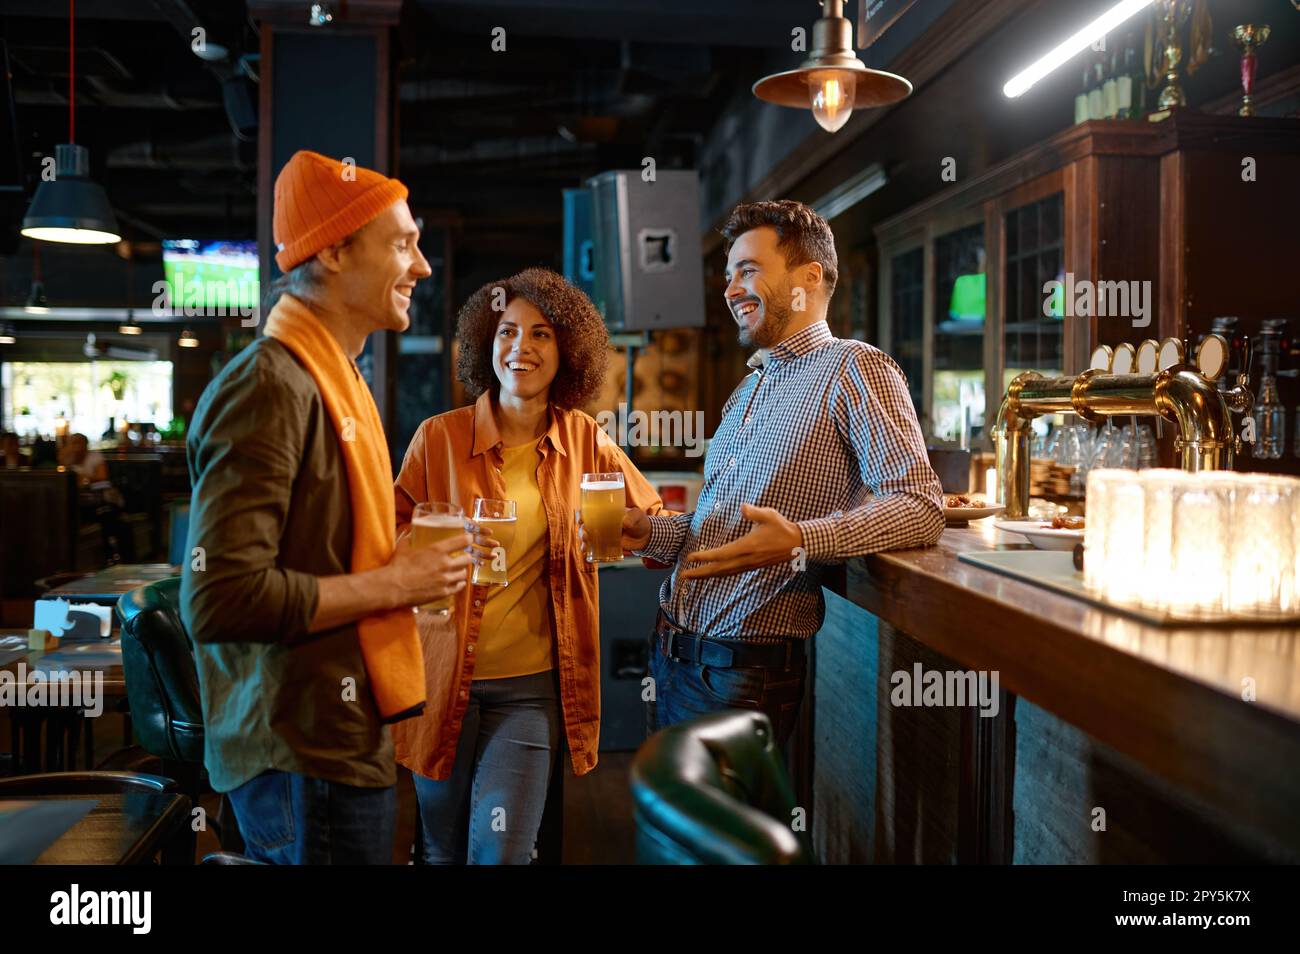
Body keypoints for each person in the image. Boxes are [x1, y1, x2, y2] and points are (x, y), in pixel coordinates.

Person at [180, 150, 480, 864]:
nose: (422, 267)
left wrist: (400, 566)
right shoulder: (271, 386)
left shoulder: (332, 373)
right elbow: (219, 598)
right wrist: (395, 585)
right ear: (337, 251)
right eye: (402, 244)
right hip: (299, 749)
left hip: (335, 735)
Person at [623, 199, 944, 746]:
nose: (729, 289)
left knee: (718, 834)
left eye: (747, 270)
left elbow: (920, 505)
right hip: (672, 655)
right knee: (674, 832)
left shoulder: (856, 367)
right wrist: (648, 531)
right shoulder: (748, 389)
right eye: (728, 275)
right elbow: (717, 530)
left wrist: (799, 539)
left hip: (740, 674)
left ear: (808, 277)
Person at [392, 267, 665, 865]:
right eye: (508, 332)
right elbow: (387, 537)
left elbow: (650, 518)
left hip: (531, 690)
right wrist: (440, 539)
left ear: (566, 350)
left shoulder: (586, 439)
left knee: (505, 853)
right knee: (438, 851)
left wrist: (627, 531)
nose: (522, 348)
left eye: (541, 334)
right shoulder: (438, 439)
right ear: (487, 343)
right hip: (439, 683)